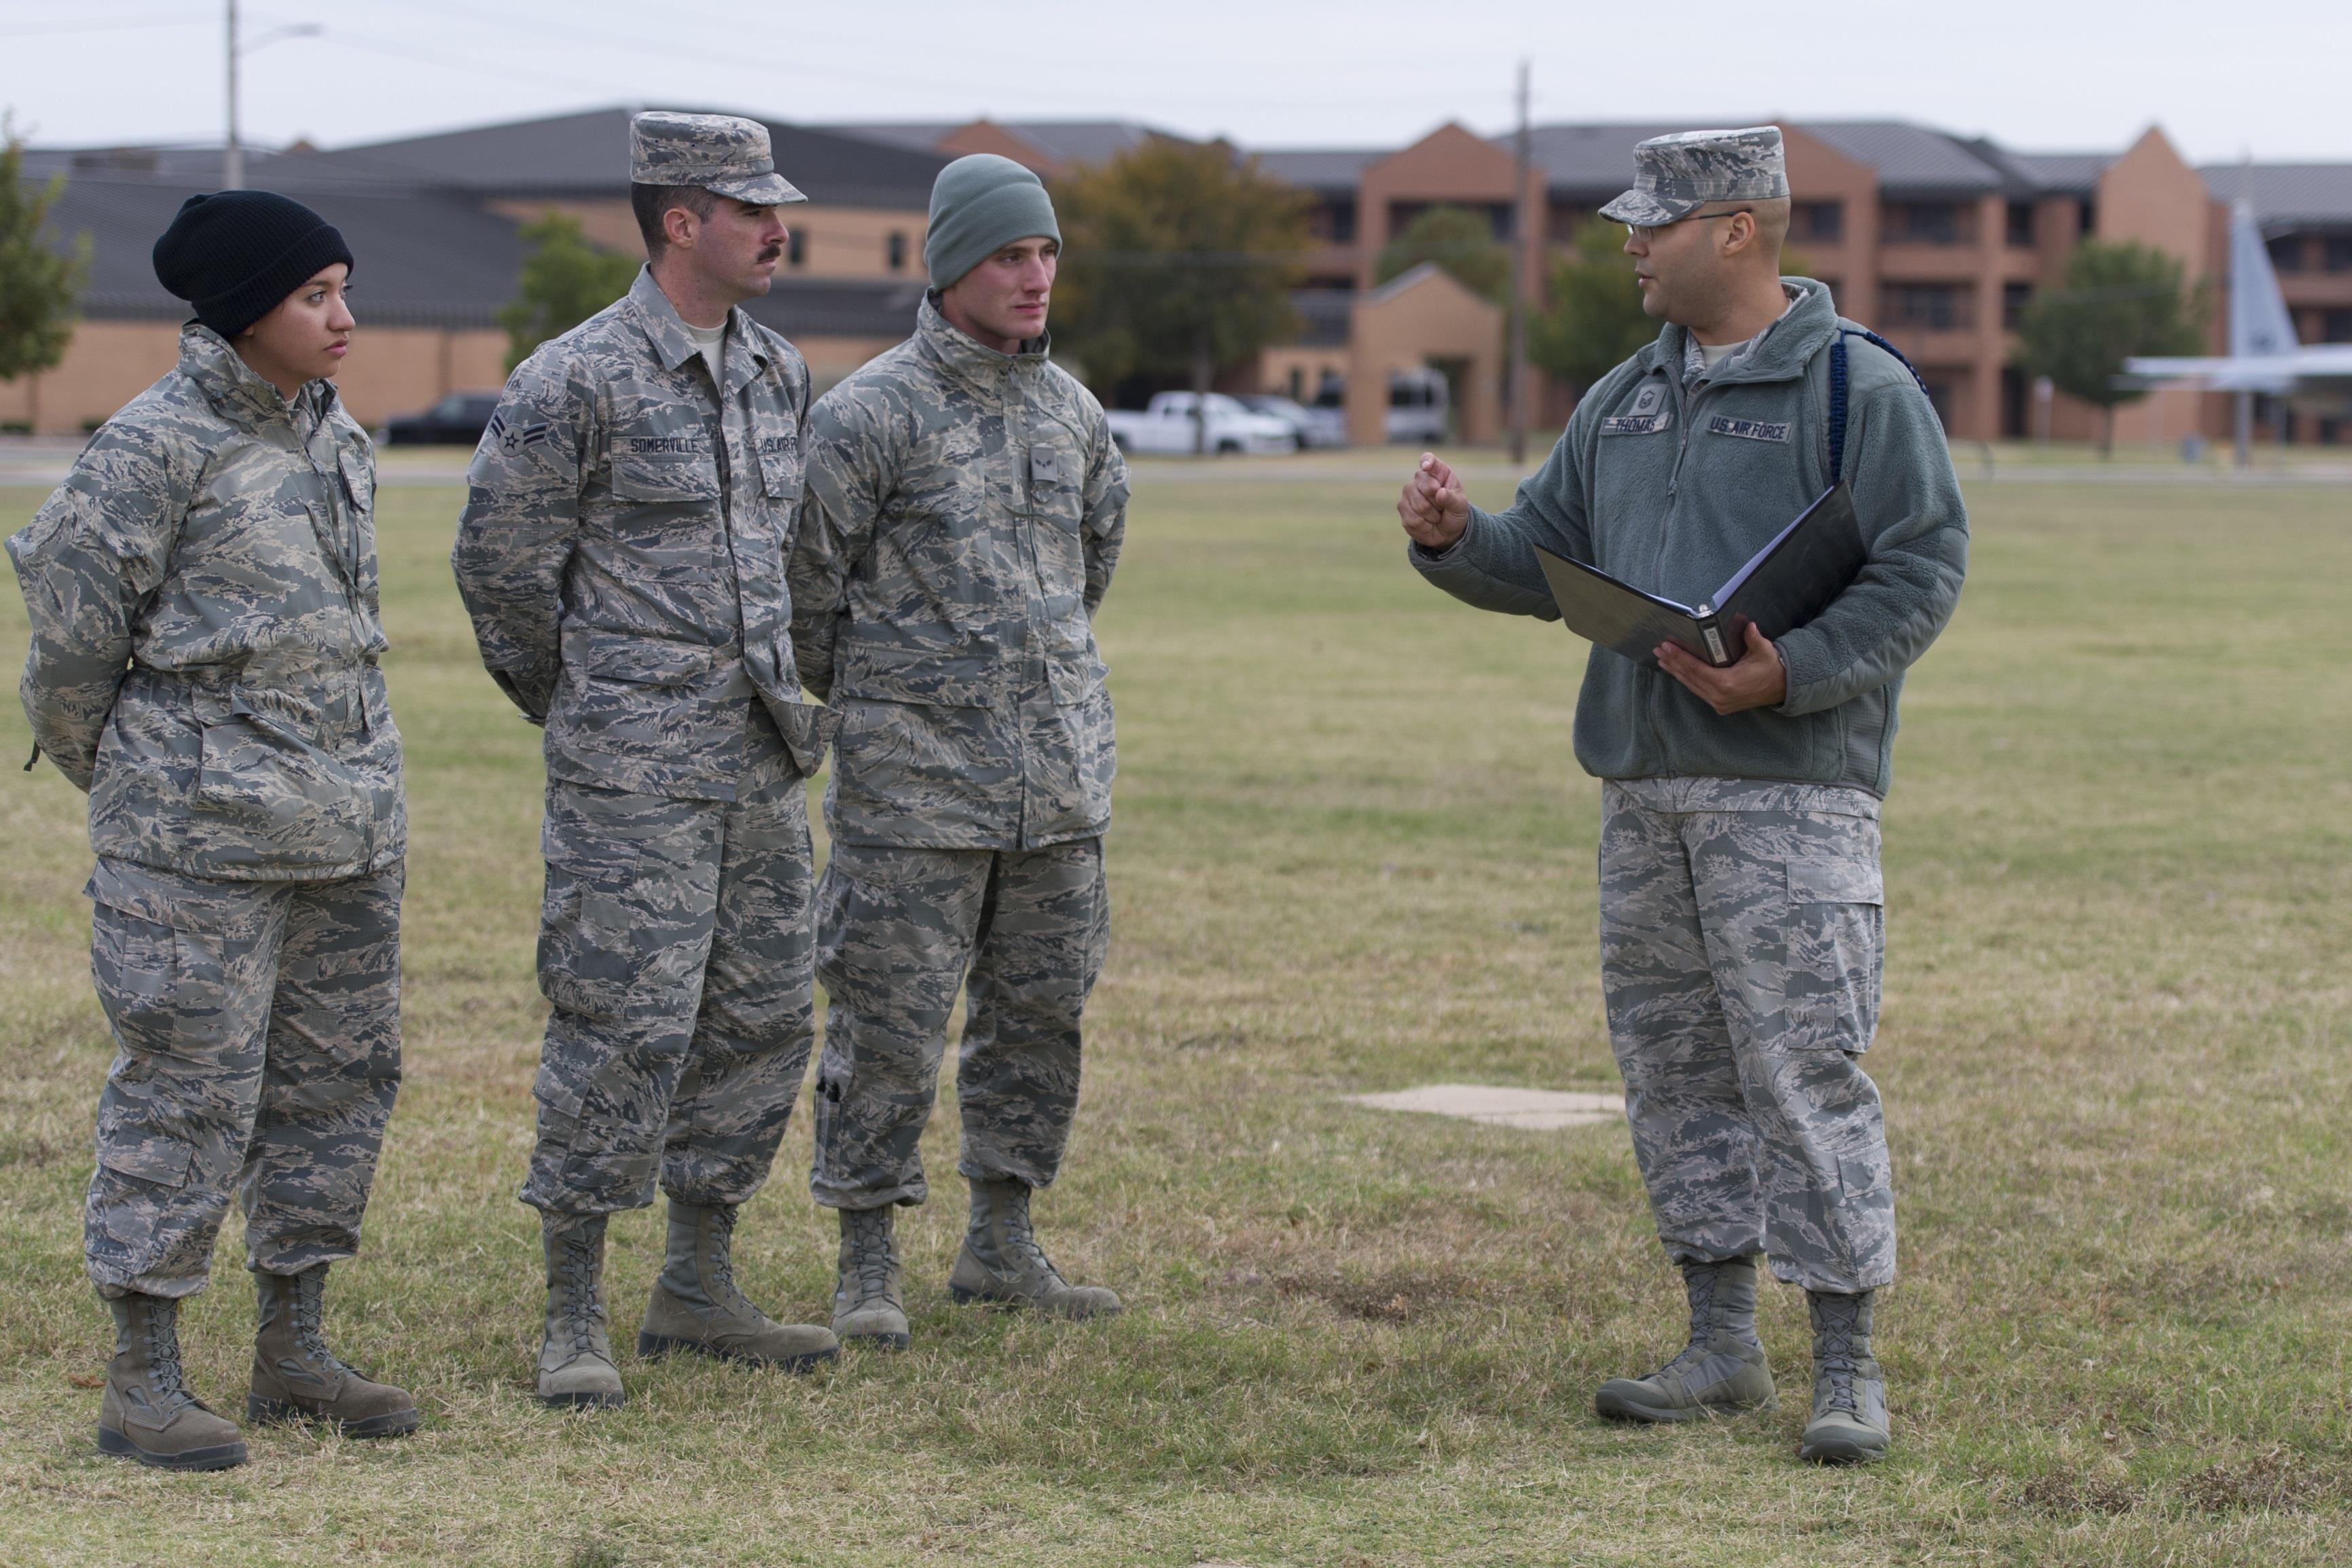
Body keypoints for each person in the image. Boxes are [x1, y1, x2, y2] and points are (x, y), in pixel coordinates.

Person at [1396, 127, 1967, 1464]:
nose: (1628, 243)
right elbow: (1538, 558)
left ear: (1738, 228)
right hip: (1644, 794)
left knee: (1800, 1066)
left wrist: (1793, 674)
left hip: (1790, 798)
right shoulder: (1622, 398)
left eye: (1654, 222)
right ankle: (1718, 1344)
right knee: (1673, 1067)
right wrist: (1448, 539)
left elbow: (1921, 565)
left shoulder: (1853, 389)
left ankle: (1846, 1365)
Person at [9, 192, 417, 1470]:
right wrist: (147, 782)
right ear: (247, 311)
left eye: (344, 288)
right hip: (197, 845)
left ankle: (293, 1345)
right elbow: (71, 655)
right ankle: (142, 1376)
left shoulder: (333, 433)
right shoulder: (149, 449)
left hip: (344, 831)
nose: (343, 318)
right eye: (314, 296)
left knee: (335, 1088)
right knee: (188, 1094)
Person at [452, 111, 838, 1408]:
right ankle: (573, 1306)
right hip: (633, 773)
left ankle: (697, 1281)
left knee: (764, 1015)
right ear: (681, 219)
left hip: (762, 760)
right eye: (752, 210)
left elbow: (788, 565)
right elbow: (502, 572)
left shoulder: (780, 371)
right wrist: (591, 710)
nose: (779, 229)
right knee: (620, 1025)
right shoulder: (577, 377)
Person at [790, 154, 1127, 1349]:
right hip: (914, 792)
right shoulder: (867, 414)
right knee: (887, 1025)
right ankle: (867, 1253)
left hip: (1058, 788)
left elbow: (1092, 569)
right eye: (1007, 256)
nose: (1034, 277)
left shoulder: (1073, 412)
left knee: (1040, 1019)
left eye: (1045, 254)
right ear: (949, 268)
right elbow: (806, 595)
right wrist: (905, 700)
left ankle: (1001, 1238)